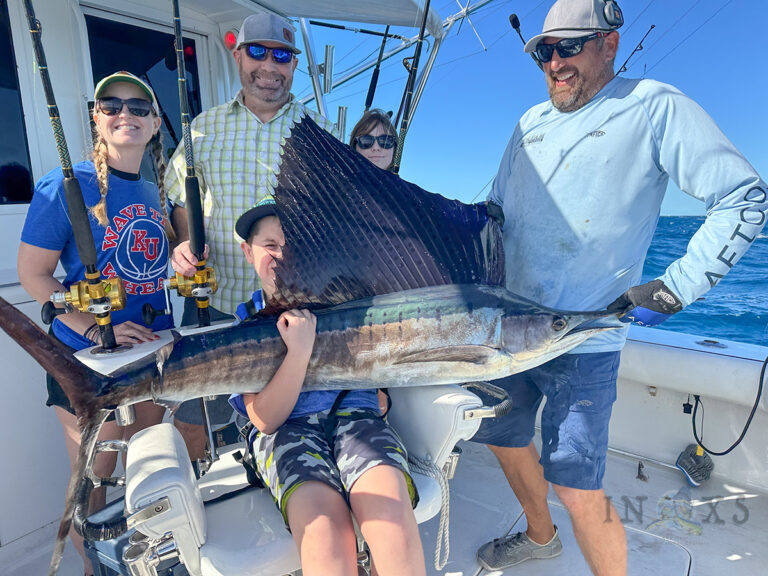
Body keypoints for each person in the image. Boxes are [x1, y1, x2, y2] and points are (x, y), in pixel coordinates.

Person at [473, 1, 768, 574]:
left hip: (584, 337)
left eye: (568, 48)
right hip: (508, 329)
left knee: (576, 483)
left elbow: (744, 197)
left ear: (609, 44)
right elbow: (493, 215)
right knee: (503, 437)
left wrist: (677, 288)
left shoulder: (653, 105)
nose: (553, 62)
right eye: (542, 51)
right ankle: (539, 537)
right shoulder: (528, 124)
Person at [17, 71, 175, 576]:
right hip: (86, 361)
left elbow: (159, 264)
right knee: (95, 478)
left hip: (150, 353)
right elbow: (34, 275)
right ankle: (95, 571)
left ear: (154, 126)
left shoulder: (158, 192)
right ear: (96, 118)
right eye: (111, 105)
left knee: (146, 463)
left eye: (138, 107)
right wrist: (95, 329)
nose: (124, 114)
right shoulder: (64, 185)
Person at [166, 12, 338, 459]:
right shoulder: (201, 128)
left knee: (286, 418)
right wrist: (185, 243)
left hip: (293, 315)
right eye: (257, 52)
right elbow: (181, 202)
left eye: (281, 55)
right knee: (194, 420)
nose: (268, 66)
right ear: (237, 55)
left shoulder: (320, 129)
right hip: (215, 304)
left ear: (294, 64)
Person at [227, 197, 425, 576]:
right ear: (247, 252)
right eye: (270, 245)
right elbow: (266, 420)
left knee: (391, 519)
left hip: (356, 417)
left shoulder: (352, 307)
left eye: (296, 246)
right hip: (287, 431)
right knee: (324, 533)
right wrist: (298, 353)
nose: (283, 255)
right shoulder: (243, 329)